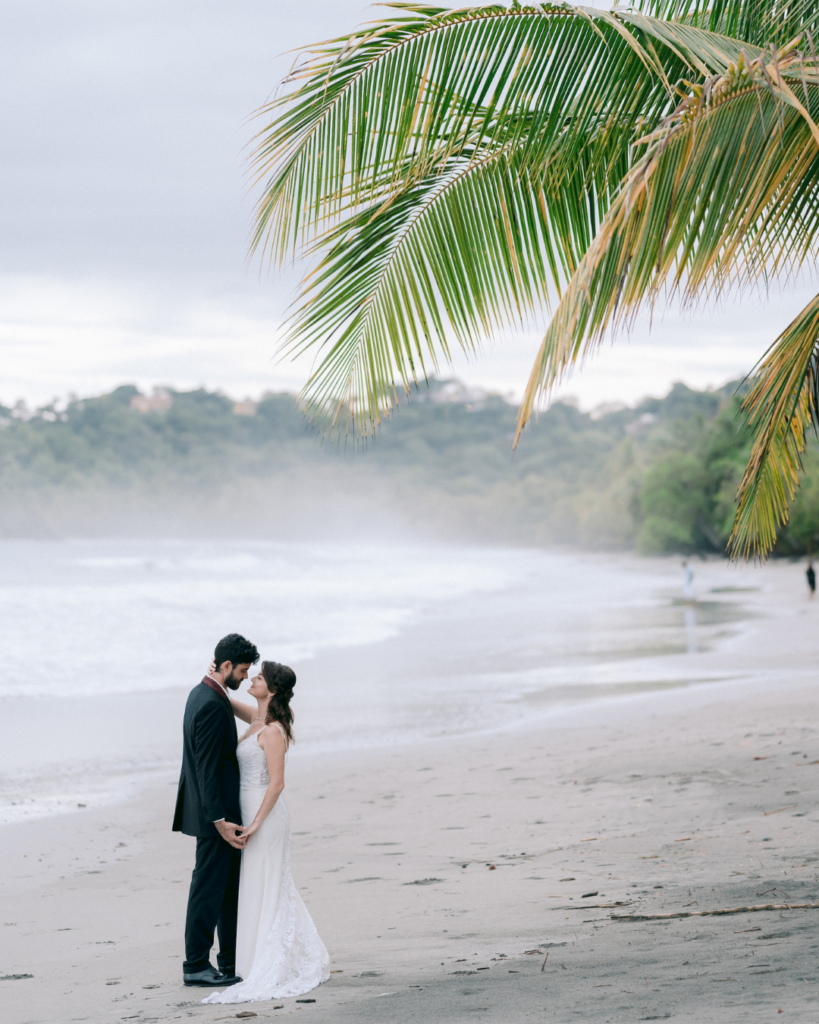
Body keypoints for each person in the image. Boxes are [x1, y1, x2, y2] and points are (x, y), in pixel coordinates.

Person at [203, 660, 329, 1004]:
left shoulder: (272, 730)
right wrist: (215, 670)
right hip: (248, 810)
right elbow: (223, 697)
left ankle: (266, 960)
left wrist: (257, 822)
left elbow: (278, 783)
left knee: (267, 882)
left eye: (257, 677)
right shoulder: (256, 719)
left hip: (266, 815)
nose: (251, 679)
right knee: (256, 884)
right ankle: (254, 958)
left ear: (271, 689)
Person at [173, 632, 260, 987]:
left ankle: (228, 960)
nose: (243, 677)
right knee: (207, 889)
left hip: (217, 813)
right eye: (240, 670)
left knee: (224, 889)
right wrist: (220, 820)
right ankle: (195, 964)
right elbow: (206, 767)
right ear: (225, 666)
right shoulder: (209, 702)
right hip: (215, 817)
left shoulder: (205, 691)